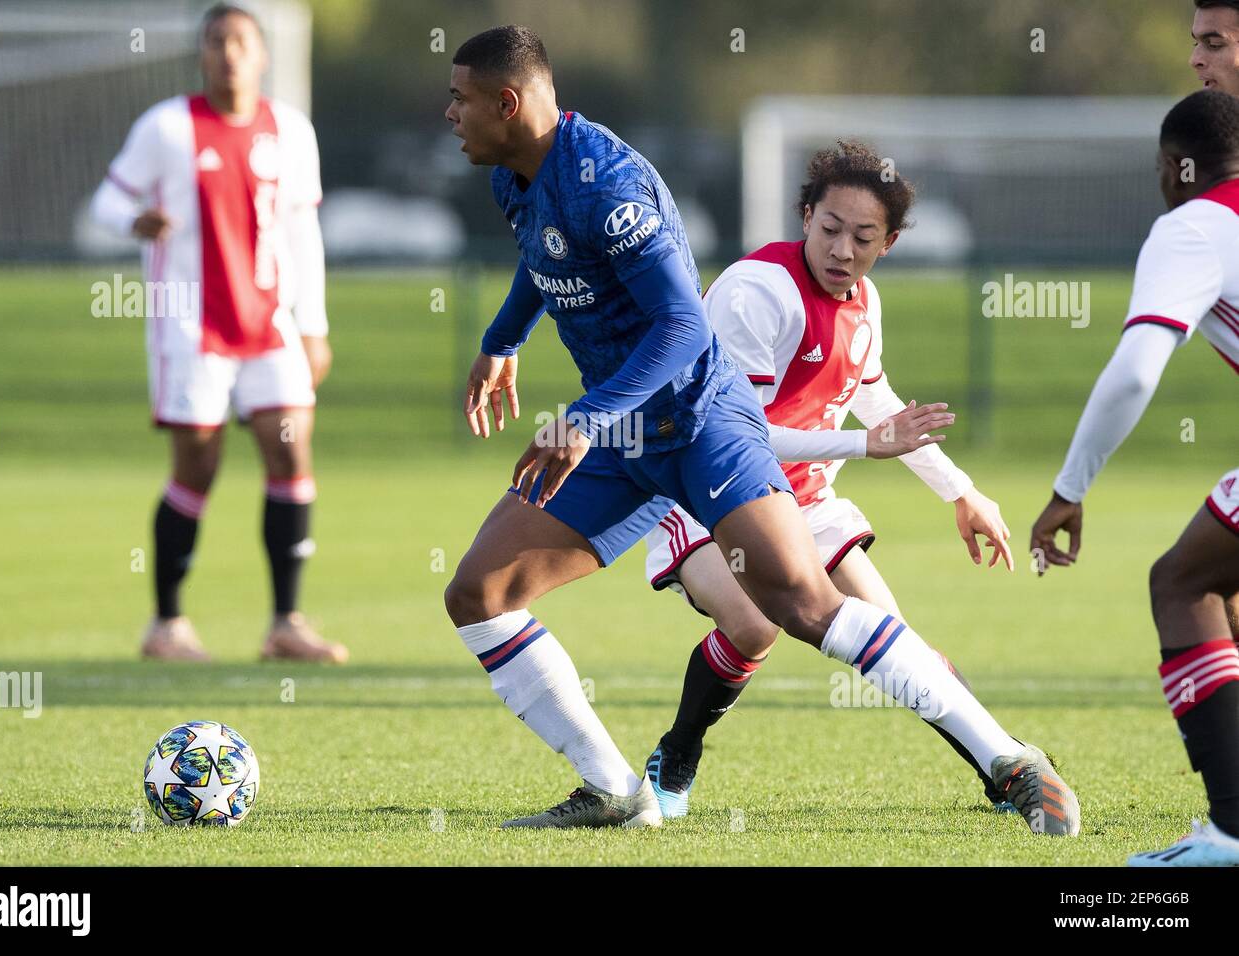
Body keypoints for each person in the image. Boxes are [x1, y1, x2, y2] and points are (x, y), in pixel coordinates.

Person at [443, 26, 1077, 832]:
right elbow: (547, 258)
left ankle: (1009, 761)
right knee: (478, 592)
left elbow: (680, 327)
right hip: (625, 436)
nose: (449, 112)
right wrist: (503, 340)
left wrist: (584, 417)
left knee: (804, 605)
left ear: (508, 102)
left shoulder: (607, 184)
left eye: (460, 97)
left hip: (701, 423)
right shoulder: (515, 176)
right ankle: (614, 790)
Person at [642, 142, 1053, 827]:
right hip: (702, 491)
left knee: (899, 644)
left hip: (800, 500)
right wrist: (868, 446)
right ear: (805, 216)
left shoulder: (864, 300)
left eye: (863, 237)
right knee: (750, 627)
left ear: (887, 244)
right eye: (829, 227)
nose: (841, 249)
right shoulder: (756, 291)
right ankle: (675, 758)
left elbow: (877, 401)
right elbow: (734, 436)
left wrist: (961, 492)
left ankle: (1005, 768)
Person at [89, 3, 346, 663]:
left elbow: (303, 234)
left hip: (271, 330)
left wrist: (313, 326)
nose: (229, 52)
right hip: (191, 330)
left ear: (262, 55)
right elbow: (108, 201)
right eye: (216, 41)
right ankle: (166, 625)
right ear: (202, 54)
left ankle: (286, 623)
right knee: (197, 466)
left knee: (291, 454)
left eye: (240, 41)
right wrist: (134, 221)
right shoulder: (167, 128)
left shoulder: (291, 130)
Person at [1032, 89, 1239, 865]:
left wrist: (1069, 487)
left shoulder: (1192, 225)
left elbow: (1133, 373)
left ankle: (1230, 832)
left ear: (1171, 167)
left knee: (1182, 584)